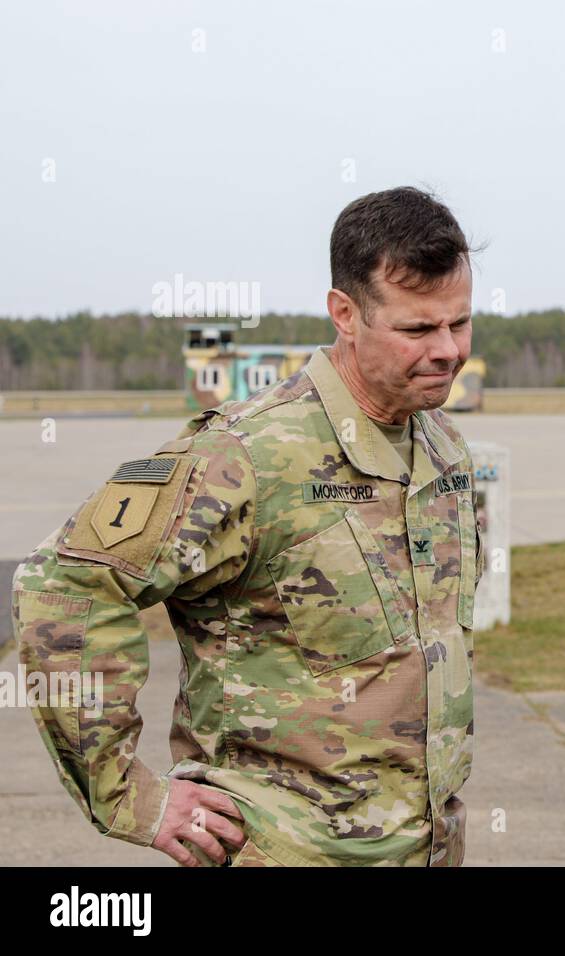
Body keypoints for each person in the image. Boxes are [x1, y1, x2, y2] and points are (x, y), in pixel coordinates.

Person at [12, 186, 484, 866]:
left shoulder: (441, 448)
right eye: (416, 329)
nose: (446, 350)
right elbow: (66, 587)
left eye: (459, 324)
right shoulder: (246, 455)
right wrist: (129, 796)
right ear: (344, 314)